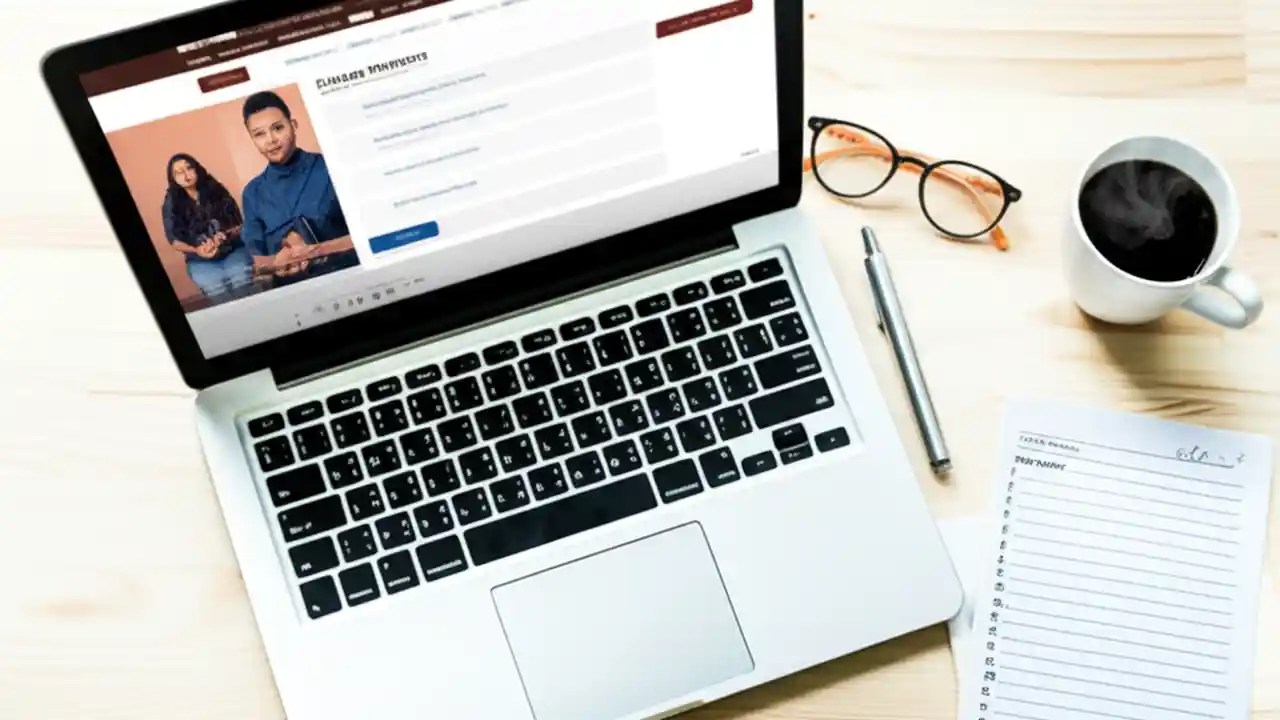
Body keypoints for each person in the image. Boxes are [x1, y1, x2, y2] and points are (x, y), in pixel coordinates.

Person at [238, 91, 357, 284]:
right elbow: (256, 262)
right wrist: (277, 263)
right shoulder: (252, 193)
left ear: (293, 126)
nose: (270, 140)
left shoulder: (330, 167)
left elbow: (369, 234)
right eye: (259, 134)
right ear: (252, 139)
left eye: (277, 128)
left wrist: (316, 251)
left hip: (347, 278)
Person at [161, 153, 253, 299]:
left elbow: (239, 224)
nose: (186, 175)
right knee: (217, 293)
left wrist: (223, 236)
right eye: (179, 173)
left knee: (242, 284)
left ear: (197, 169)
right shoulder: (171, 201)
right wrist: (197, 249)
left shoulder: (215, 189)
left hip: (233, 251)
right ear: (173, 178)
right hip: (199, 260)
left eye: (189, 168)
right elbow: (174, 239)